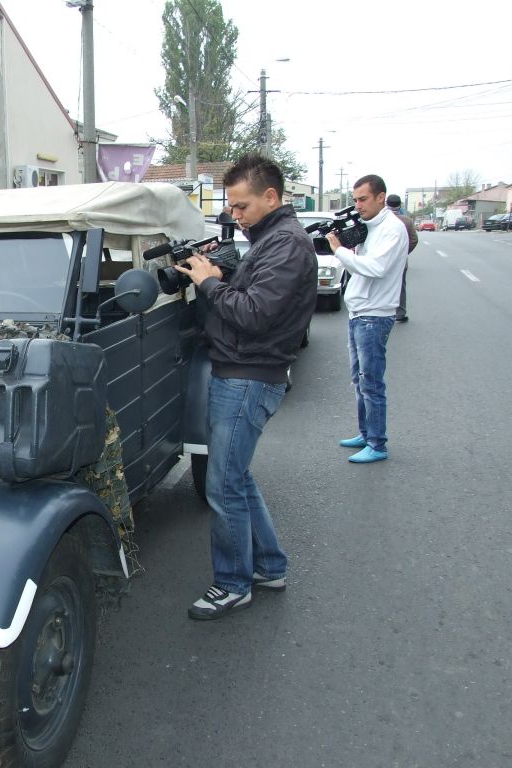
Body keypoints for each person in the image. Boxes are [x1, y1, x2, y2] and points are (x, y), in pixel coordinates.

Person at [173, 153, 317, 620]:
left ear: (270, 197)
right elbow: (258, 296)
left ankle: (234, 583)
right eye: (231, 207)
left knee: (224, 484)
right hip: (244, 371)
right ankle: (270, 566)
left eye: (241, 206)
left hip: (249, 376)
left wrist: (212, 284)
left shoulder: (287, 244)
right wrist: (224, 273)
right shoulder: (272, 238)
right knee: (238, 476)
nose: (234, 215)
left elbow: (255, 314)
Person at [328, 175, 409, 464]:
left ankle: (377, 443)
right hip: (360, 313)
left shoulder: (391, 229)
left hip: (374, 316)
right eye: (356, 199)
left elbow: (375, 268)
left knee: (371, 382)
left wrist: (338, 250)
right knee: (359, 379)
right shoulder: (371, 228)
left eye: (363, 199)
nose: (358, 205)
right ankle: (366, 433)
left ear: (380, 197)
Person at [385, 193, 418, 322]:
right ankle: (400, 313)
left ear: (386, 204)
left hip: (382, 260)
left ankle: (383, 312)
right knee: (400, 287)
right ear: (400, 205)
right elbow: (414, 240)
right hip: (401, 262)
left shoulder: (380, 219)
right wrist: (403, 253)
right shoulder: (407, 221)